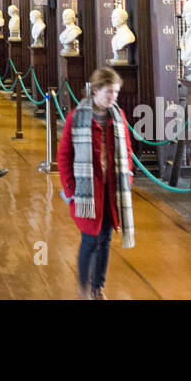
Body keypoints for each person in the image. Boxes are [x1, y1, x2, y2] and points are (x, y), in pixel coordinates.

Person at [57, 67, 135, 299]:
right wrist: (70, 188)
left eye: (117, 93)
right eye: (109, 91)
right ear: (96, 90)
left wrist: (127, 178)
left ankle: (97, 287)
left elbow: (127, 151)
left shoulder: (118, 116)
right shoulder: (77, 117)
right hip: (86, 191)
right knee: (90, 239)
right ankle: (83, 286)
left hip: (112, 189)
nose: (113, 97)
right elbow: (64, 156)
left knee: (106, 240)